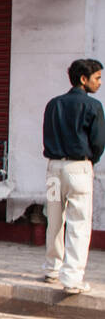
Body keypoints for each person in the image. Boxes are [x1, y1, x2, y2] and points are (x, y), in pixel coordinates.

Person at [42, 58, 104, 293]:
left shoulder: (53, 104)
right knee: (79, 222)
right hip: (78, 169)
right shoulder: (93, 106)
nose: (99, 83)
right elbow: (98, 143)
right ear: (83, 79)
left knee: (54, 219)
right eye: (97, 78)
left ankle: (52, 269)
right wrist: (91, 161)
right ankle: (72, 278)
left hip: (53, 168)